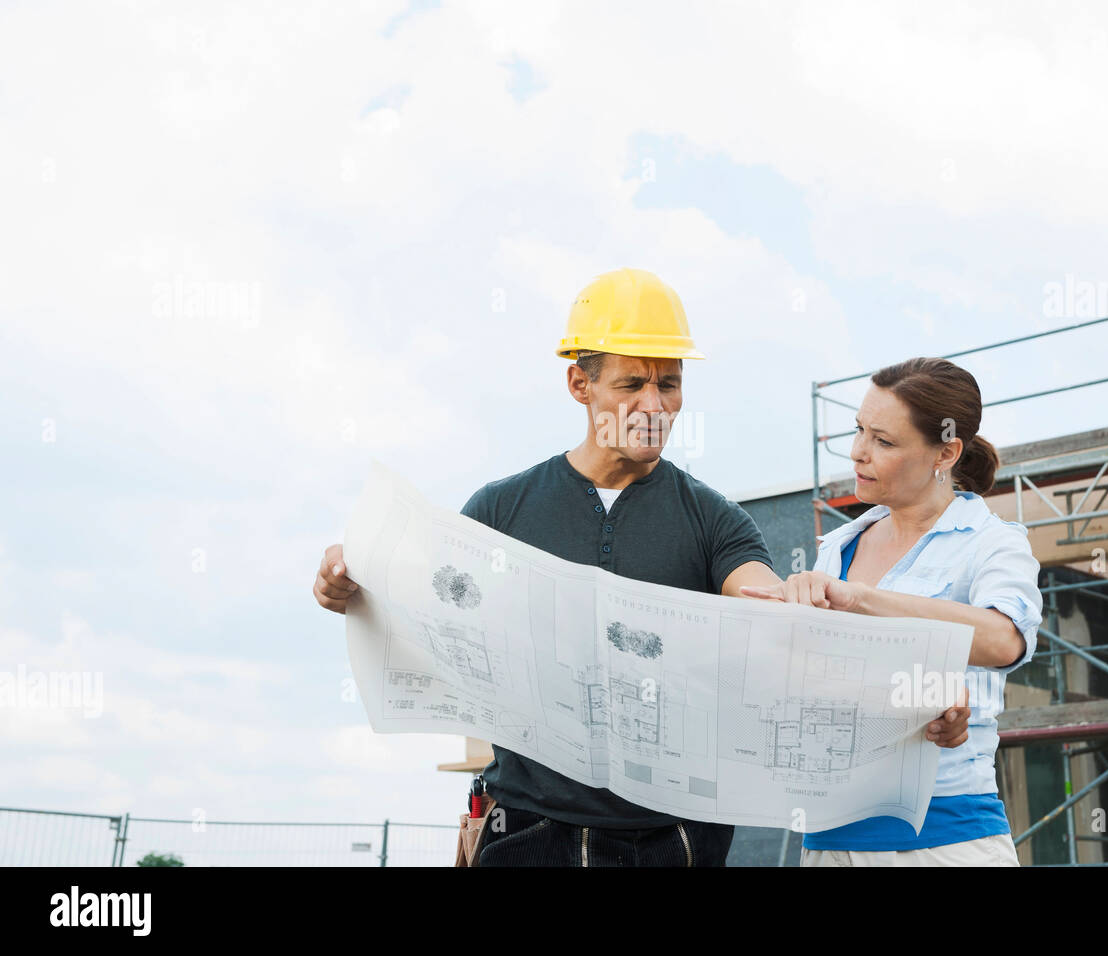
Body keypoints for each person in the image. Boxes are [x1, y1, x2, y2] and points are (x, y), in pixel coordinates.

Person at [313, 270, 971, 866]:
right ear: (580, 383)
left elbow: (770, 615)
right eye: (632, 383)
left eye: (670, 383)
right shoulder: (499, 511)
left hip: (675, 839)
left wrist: (910, 695)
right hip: (529, 833)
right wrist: (349, 580)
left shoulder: (714, 520)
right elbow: (423, 601)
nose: (654, 406)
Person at [742, 356, 1042, 867]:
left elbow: (1003, 640)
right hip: (829, 838)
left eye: (884, 441)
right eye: (859, 430)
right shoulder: (839, 547)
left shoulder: (993, 543)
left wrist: (861, 600)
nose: (858, 452)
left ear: (944, 453)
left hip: (944, 841)